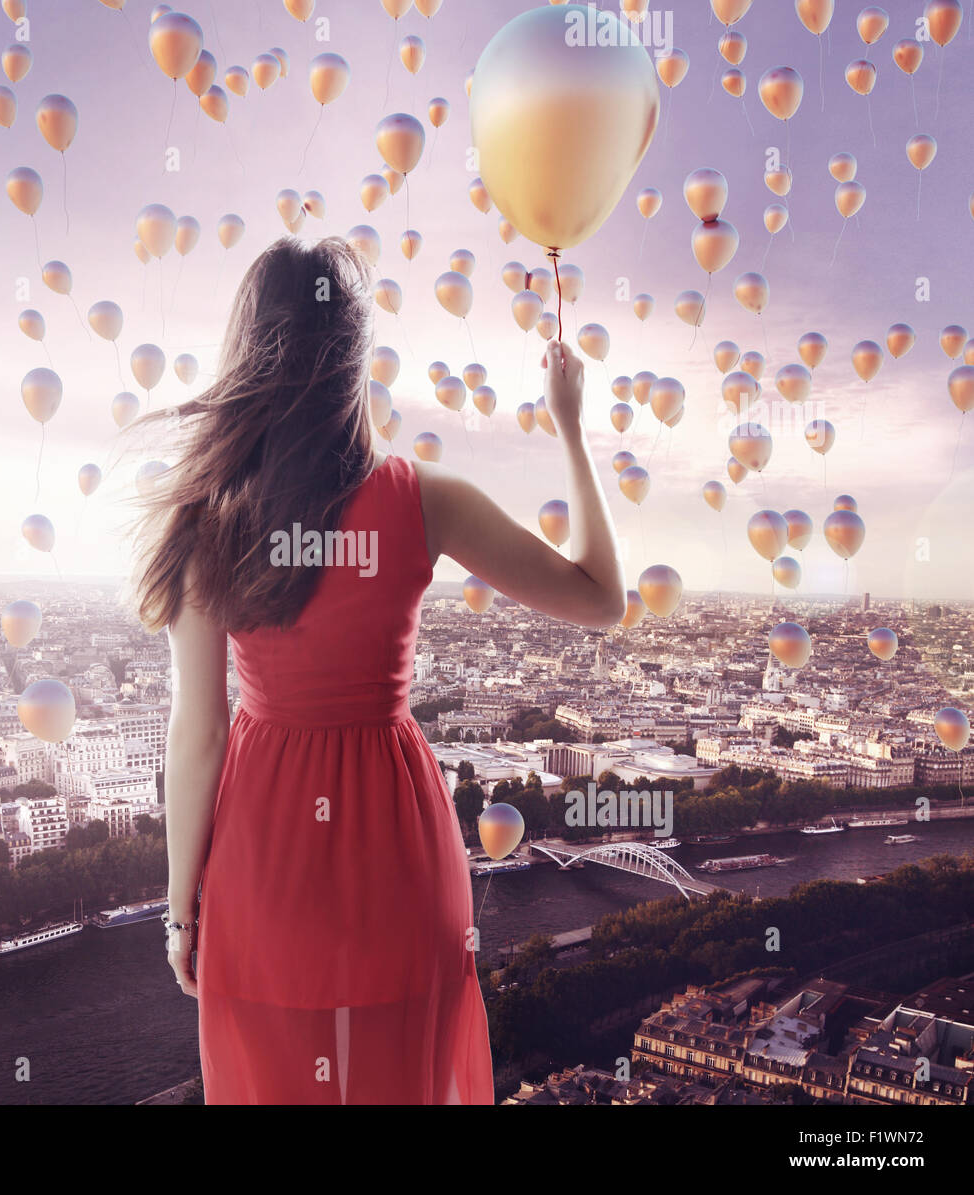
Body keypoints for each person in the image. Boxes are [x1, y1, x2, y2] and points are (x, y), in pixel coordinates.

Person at [131, 236, 625, 1105]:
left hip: (264, 856)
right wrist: (571, 429)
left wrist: (181, 911)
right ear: (354, 366)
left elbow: (199, 733)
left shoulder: (207, 519)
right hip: (398, 848)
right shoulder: (422, 499)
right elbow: (600, 597)